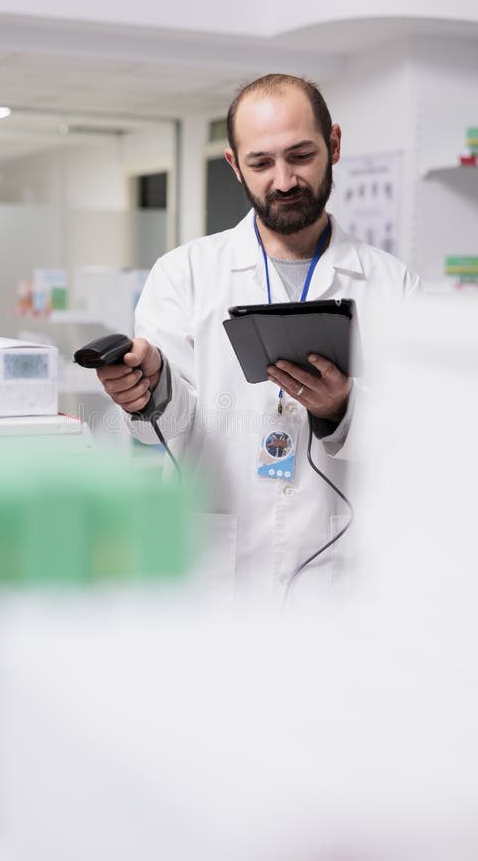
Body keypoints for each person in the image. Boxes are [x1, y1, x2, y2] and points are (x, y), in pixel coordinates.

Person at [97, 74, 420, 601]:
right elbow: (167, 424)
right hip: (215, 566)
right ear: (233, 164)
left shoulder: (392, 284)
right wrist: (151, 388)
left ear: (334, 145)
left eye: (301, 155)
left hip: (336, 569)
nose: (285, 180)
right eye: (262, 163)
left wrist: (343, 409)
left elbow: (418, 436)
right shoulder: (186, 273)